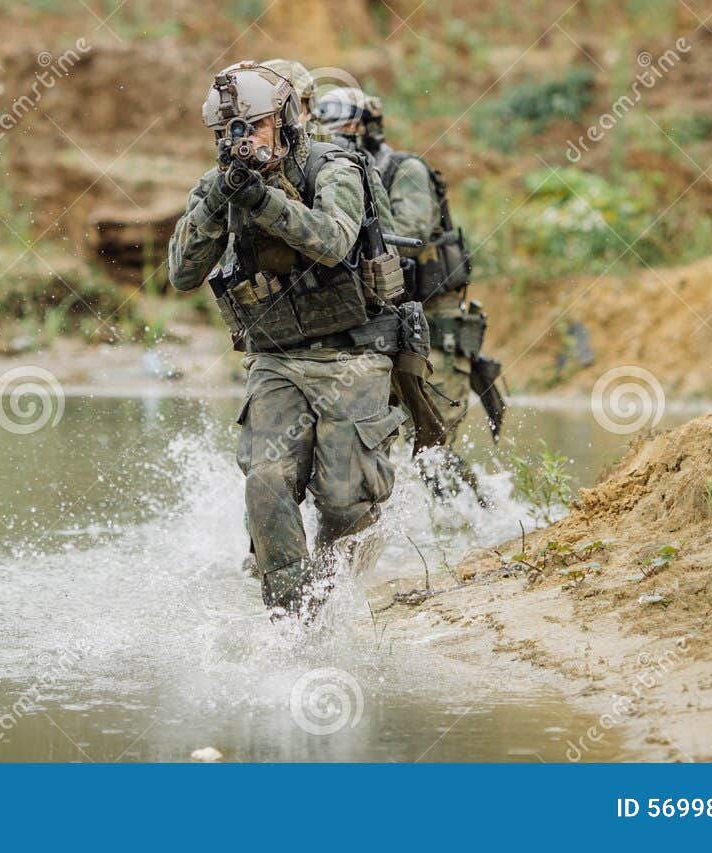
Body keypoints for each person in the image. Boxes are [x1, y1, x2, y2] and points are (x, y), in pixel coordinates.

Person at [167, 61, 416, 619]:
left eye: (252, 126)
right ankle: (291, 620)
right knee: (267, 483)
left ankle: (339, 596)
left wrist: (262, 202)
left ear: (282, 121)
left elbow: (331, 242)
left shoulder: (334, 169)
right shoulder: (220, 186)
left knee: (344, 501)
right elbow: (181, 273)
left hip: (351, 351)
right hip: (277, 359)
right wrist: (220, 200)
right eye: (227, 132)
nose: (240, 140)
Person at [311, 86, 506, 498]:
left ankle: (476, 518)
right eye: (325, 126)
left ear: (367, 126)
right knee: (375, 442)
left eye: (345, 125)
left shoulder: (403, 169)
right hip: (385, 329)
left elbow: (409, 235)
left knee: (433, 447)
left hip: (436, 331)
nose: (336, 134)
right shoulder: (328, 175)